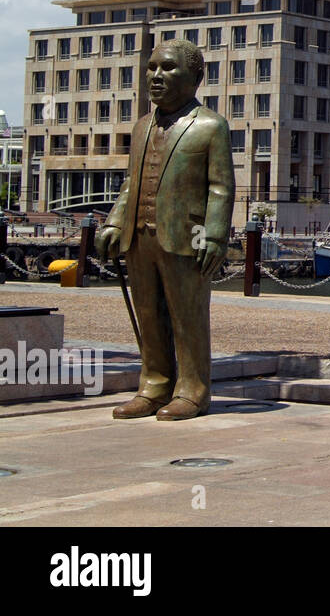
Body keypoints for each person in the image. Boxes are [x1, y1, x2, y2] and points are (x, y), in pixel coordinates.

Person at [96, 39, 235, 421]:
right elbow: (131, 182)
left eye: (168, 68)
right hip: (139, 238)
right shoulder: (142, 127)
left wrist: (215, 235)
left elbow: (221, 186)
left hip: (186, 239)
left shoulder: (210, 125)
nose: (156, 76)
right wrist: (113, 221)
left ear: (195, 76)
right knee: (149, 315)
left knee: (187, 317)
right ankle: (154, 385)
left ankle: (193, 390)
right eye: (152, 67)